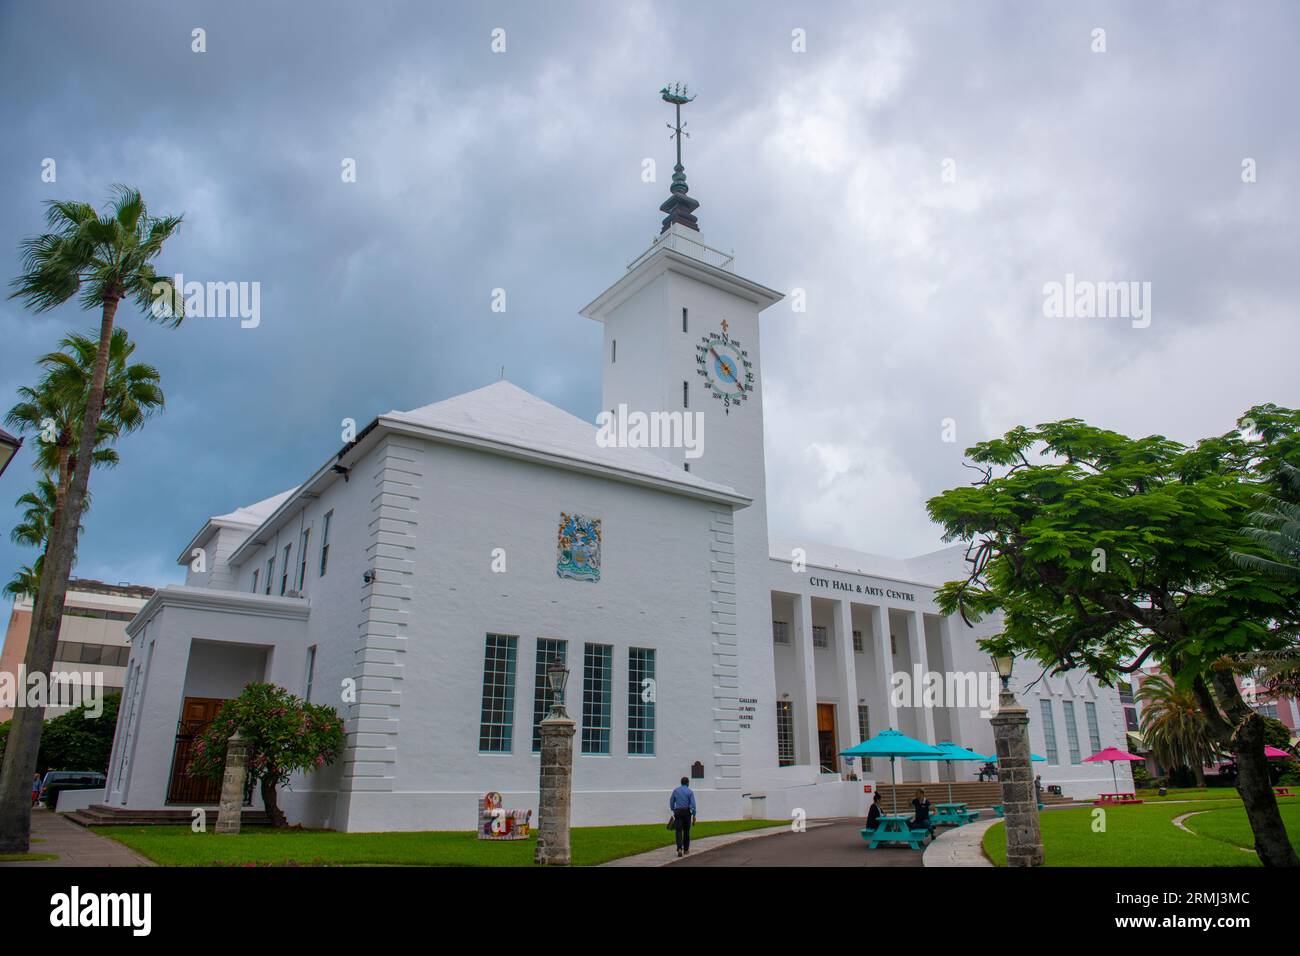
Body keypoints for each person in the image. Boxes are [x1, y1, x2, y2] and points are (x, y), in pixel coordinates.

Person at [669, 776, 697, 857]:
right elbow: (693, 805)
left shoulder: (676, 791)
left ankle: (679, 848)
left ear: (681, 783)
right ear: (688, 783)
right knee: (686, 831)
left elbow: (671, 801)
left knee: (678, 831)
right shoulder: (690, 792)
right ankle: (686, 849)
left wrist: (673, 809)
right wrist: (694, 815)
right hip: (687, 812)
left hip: (678, 812)